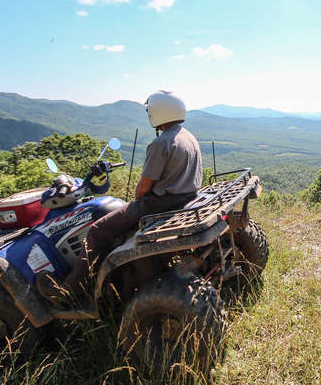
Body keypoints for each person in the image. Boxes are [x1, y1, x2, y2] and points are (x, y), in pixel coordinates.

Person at [37, 89, 202, 306]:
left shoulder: (161, 143)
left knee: (96, 231)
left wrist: (136, 202)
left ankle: (68, 291)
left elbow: (143, 188)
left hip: (156, 204)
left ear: (158, 113)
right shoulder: (187, 136)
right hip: (185, 199)